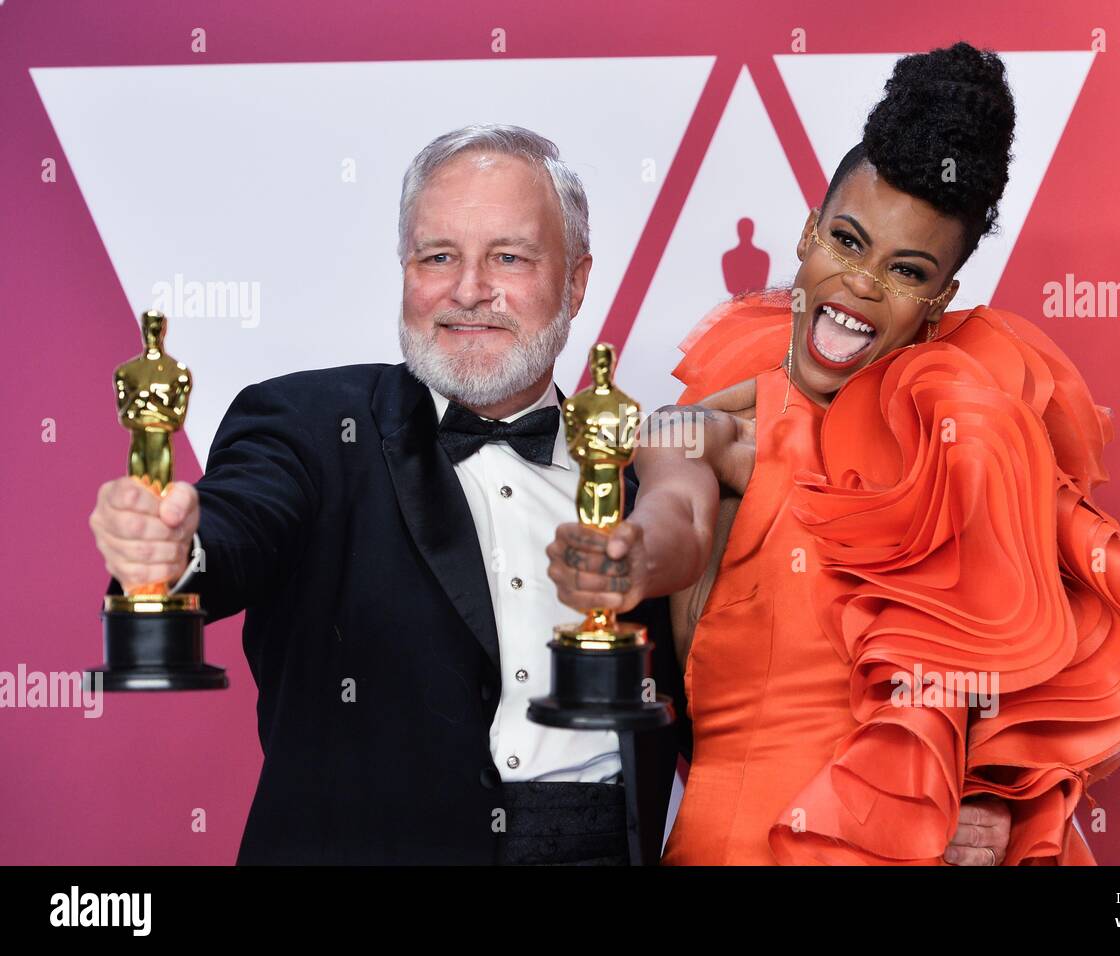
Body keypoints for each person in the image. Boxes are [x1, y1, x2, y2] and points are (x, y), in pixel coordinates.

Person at [546, 43, 1120, 865]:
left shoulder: (972, 448)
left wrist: (988, 808)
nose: (862, 285)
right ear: (809, 234)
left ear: (940, 300)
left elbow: (1017, 694)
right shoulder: (719, 425)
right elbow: (676, 502)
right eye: (847, 242)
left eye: (906, 270)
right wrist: (631, 556)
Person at [87, 125, 686, 865]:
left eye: (509, 257)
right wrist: (173, 547)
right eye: (438, 256)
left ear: (576, 281)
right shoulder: (309, 426)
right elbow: (242, 522)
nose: (469, 289)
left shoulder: (647, 485)